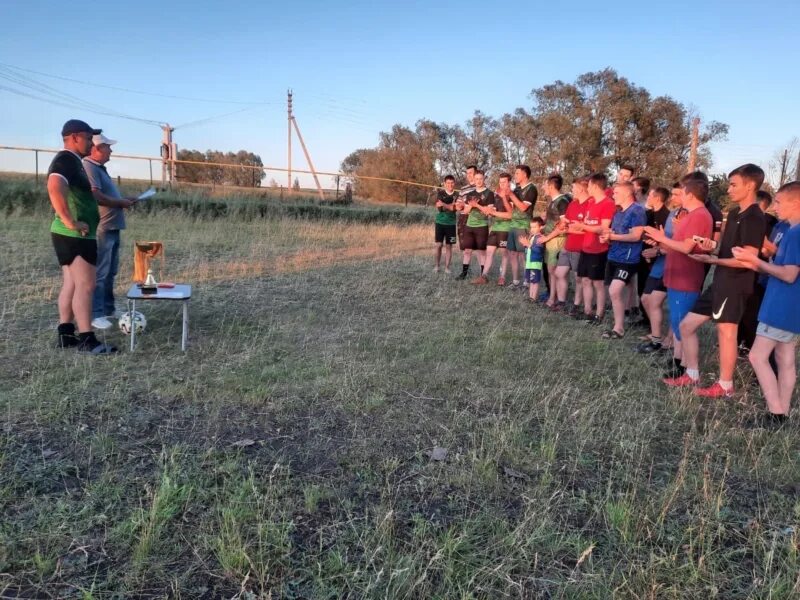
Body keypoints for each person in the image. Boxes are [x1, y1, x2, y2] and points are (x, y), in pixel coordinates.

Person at [669, 164, 766, 397]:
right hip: (720, 280)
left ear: (750, 185)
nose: (729, 189)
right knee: (686, 326)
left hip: (735, 283)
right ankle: (691, 374)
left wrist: (714, 262)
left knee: (726, 332)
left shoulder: (754, 217)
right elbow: (728, 250)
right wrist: (712, 249)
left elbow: (748, 259)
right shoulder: (733, 214)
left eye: (734, 184)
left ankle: (725, 385)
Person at [733, 181, 800, 426]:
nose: (776, 206)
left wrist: (756, 262)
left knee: (757, 357)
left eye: (780, 202)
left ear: (797, 203)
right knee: (785, 358)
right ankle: (783, 411)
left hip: (781, 304)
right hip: (790, 305)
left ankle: (775, 413)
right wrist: (765, 256)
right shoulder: (791, 231)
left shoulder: (794, 233)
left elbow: (789, 274)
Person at [48, 119, 116, 354]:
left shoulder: (72, 161)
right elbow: (55, 185)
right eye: (88, 138)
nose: (91, 143)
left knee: (71, 283)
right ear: (75, 137)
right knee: (86, 285)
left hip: (67, 235)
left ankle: (66, 334)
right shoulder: (66, 160)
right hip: (75, 235)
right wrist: (70, 221)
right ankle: (87, 339)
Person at [645, 173, 713, 380]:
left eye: (681, 192)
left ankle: (684, 367)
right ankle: (677, 362)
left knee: (682, 323)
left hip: (686, 278)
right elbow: (677, 243)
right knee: (677, 322)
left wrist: (660, 236)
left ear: (690, 194)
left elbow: (686, 247)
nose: (677, 195)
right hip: (675, 275)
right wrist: (660, 242)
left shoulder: (700, 215)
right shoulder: (688, 215)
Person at [83, 133, 136, 329]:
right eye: (107, 146)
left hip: (113, 227)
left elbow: (107, 196)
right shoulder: (89, 166)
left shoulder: (100, 168)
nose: (111, 150)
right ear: (96, 148)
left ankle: (108, 309)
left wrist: (125, 200)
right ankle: (96, 314)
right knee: (101, 272)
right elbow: (96, 196)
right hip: (103, 228)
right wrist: (120, 202)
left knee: (110, 272)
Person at [599, 181, 647, 339]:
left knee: (614, 290)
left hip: (628, 259)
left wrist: (613, 236)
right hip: (613, 256)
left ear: (627, 193)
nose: (613, 195)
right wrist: (607, 238)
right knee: (613, 292)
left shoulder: (637, 211)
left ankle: (619, 328)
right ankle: (619, 324)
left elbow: (636, 236)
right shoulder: (618, 212)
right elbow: (614, 233)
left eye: (616, 193)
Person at [636, 186, 677, 353]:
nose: (647, 198)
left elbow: (673, 243)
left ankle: (660, 339)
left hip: (667, 263)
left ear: (658, 198)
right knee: (645, 299)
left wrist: (657, 248)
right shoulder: (654, 214)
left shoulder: (668, 215)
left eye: (650, 195)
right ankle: (655, 334)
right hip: (656, 262)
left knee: (653, 300)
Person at [736, 190, 777, 352]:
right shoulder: (744, 218)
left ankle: (750, 345)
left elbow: (769, 250)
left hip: (759, 273)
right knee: (742, 309)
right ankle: (740, 341)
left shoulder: (769, 222)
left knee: (751, 311)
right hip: (745, 269)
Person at [573, 173, 615, 325]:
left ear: (596, 186)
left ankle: (599, 314)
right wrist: (575, 227)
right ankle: (587, 310)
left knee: (598, 283)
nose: (587, 188)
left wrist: (582, 226)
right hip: (586, 247)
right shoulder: (591, 203)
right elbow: (587, 224)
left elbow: (604, 228)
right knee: (584, 280)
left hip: (599, 249)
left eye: (589, 185)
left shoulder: (608, 203)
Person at [555, 176, 590, 318]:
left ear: (581, 188)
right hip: (567, 245)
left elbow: (587, 229)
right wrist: (562, 225)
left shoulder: (590, 204)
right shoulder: (573, 204)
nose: (572, 190)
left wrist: (568, 229)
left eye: (574, 188)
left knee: (578, 278)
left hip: (580, 247)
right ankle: (561, 302)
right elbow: (567, 222)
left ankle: (577, 305)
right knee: (559, 273)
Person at [459, 170, 495, 282]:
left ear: (484, 179)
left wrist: (476, 205)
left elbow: (489, 212)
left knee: (481, 251)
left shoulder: (489, 193)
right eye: (476, 179)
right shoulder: (470, 194)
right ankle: (464, 274)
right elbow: (465, 211)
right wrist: (470, 206)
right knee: (467, 250)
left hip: (482, 225)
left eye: (481, 179)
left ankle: (482, 276)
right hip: (469, 225)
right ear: (474, 180)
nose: (478, 181)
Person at [541, 174, 571, 309]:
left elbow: (564, 225)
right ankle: (552, 297)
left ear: (551, 186)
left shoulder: (562, 201)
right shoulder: (553, 201)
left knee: (554, 270)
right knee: (550, 270)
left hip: (558, 240)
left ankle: (557, 299)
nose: (543, 188)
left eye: (545, 185)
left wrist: (548, 236)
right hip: (550, 240)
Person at [505, 165, 537, 288]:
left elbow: (523, 208)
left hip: (523, 224)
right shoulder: (517, 189)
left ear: (525, 174)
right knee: (512, 253)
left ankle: (527, 281)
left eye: (517, 173)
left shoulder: (531, 189)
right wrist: (504, 197)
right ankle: (515, 280)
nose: (515, 175)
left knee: (523, 254)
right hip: (513, 224)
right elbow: (511, 209)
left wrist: (511, 195)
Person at [480, 172, 513, 284]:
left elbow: (510, 215)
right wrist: (487, 212)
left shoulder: (512, 195)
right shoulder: (496, 195)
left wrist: (495, 213)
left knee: (504, 254)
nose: (501, 184)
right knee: (489, 252)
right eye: (500, 182)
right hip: (495, 228)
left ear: (509, 182)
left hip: (505, 229)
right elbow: (493, 211)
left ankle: (502, 277)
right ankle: (483, 276)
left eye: (504, 182)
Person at [455, 166, 477, 279]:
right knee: (465, 247)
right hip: (463, 218)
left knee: (479, 248)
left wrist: (468, 206)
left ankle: (483, 273)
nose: (469, 175)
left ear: (476, 173)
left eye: (471, 173)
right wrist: (460, 206)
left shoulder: (481, 187)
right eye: (467, 173)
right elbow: (458, 205)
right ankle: (465, 272)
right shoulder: (463, 189)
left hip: (475, 219)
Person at [433, 175, 458, 273]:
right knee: (439, 245)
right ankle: (437, 266)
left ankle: (447, 268)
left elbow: (454, 209)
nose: (450, 185)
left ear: (454, 183)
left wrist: (444, 204)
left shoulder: (457, 195)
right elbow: (439, 209)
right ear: (444, 184)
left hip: (451, 224)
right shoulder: (440, 193)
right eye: (448, 183)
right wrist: (450, 206)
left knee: (449, 246)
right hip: (440, 223)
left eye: (452, 183)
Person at [521, 217, 546, 302]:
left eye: (535, 227)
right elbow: (529, 248)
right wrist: (525, 244)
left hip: (535, 263)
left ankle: (534, 298)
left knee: (535, 281)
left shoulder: (540, 238)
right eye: (531, 227)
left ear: (541, 227)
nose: (532, 229)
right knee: (531, 280)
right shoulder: (532, 236)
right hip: (529, 263)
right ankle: (530, 297)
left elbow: (539, 250)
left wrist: (529, 245)